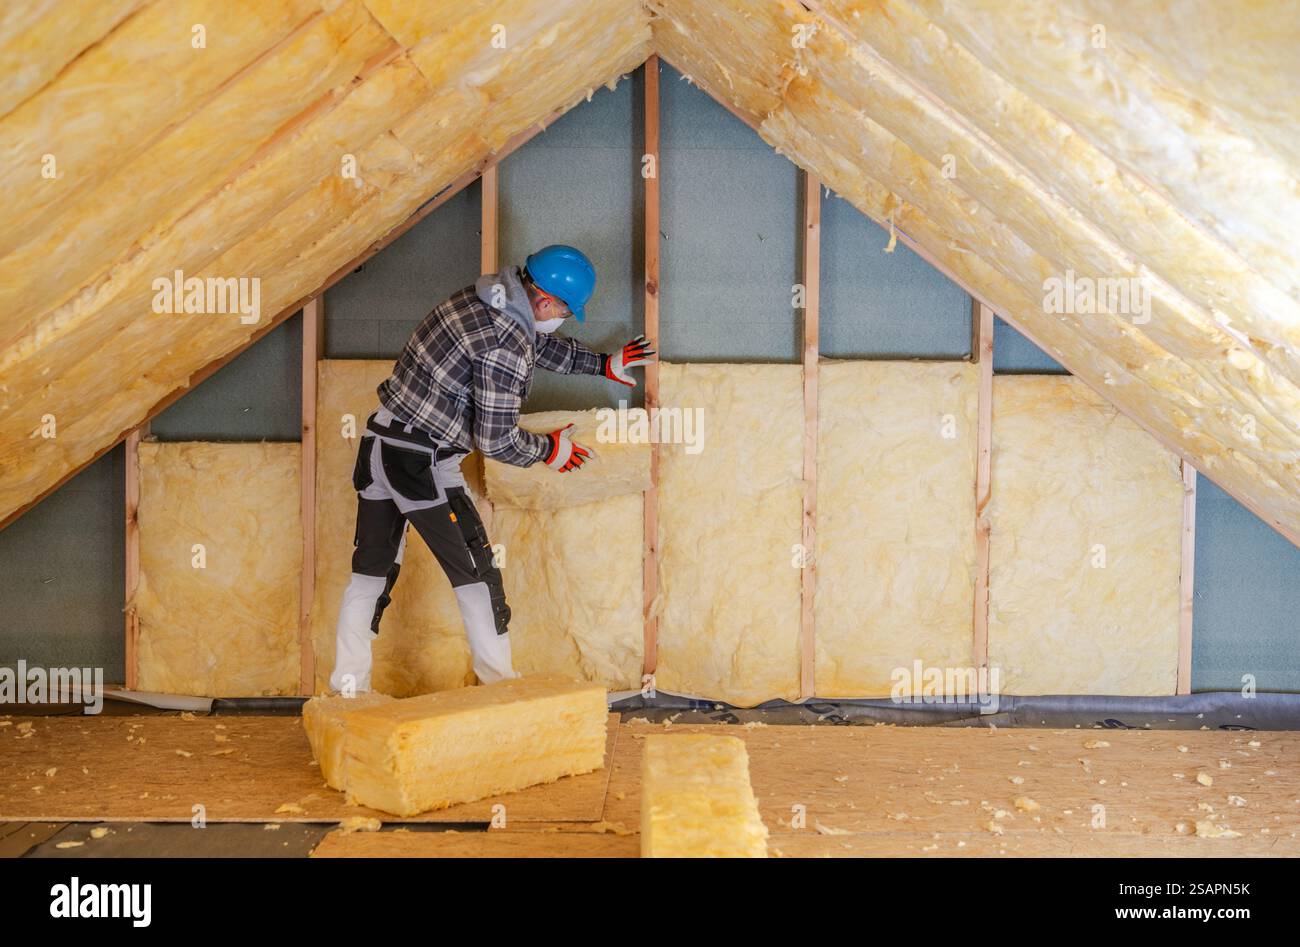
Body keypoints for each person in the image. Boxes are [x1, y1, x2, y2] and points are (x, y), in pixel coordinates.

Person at [329, 245, 655, 693]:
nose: (561, 317)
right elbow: (497, 439)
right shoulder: (505, 341)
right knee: (477, 574)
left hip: (382, 444)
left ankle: (348, 691)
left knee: (371, 571)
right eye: (564, 310)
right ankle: (500, 687)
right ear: (544, 302)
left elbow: (535, 344)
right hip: (419, 461)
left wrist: (601, 364)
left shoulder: (485, 299)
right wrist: (549, 452)